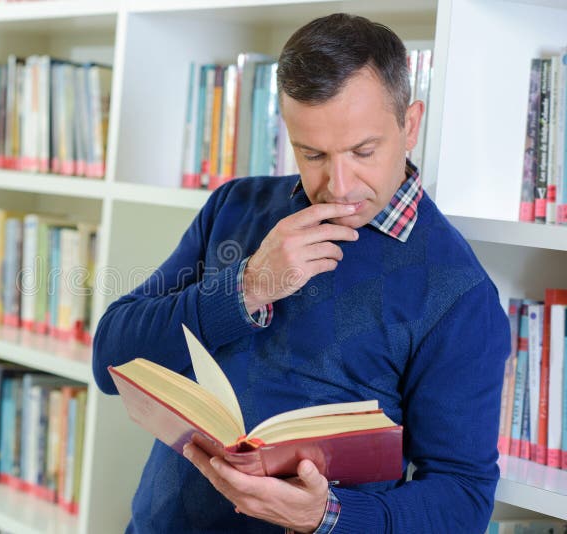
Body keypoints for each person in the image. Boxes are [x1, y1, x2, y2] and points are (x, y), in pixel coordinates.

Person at [92, 12, 510, 534]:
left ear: (410, 124)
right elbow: (109, 359)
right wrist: (245, 288)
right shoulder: (235, 206)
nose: (338, 184)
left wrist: (326, 516)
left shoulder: (459, 293)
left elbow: (464, 500)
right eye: (312, 154)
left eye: (363, 151)